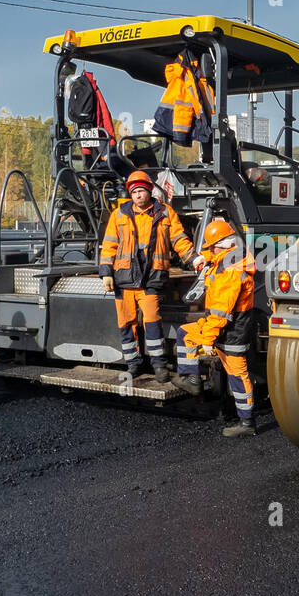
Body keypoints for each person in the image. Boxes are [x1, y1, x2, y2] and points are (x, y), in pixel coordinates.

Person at [99, 170, 203, 380]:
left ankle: (159, 365)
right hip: (124, 279)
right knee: (126, 323)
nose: (138, 195)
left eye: (141, 191)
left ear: (149, 191)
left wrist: (193, 258)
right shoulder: (119, 214)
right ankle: (133, 365)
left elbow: (179, 240)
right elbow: (109, 245)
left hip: (151, 279)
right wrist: (105, 273)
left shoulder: (165, 213)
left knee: (153, 322)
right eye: (134, 192)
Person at [171, 219, 257, 438]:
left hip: (230, 332)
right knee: (185, 334)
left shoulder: (228, 272)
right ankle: (191, 380)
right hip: (228, 328)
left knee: (238, 375)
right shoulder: (232, 256)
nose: (209, 250)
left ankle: (247, 424)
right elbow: (216, 254)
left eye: (211, 247)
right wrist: (202, 257)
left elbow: (220, 312)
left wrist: (208, 341)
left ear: (222, 245)